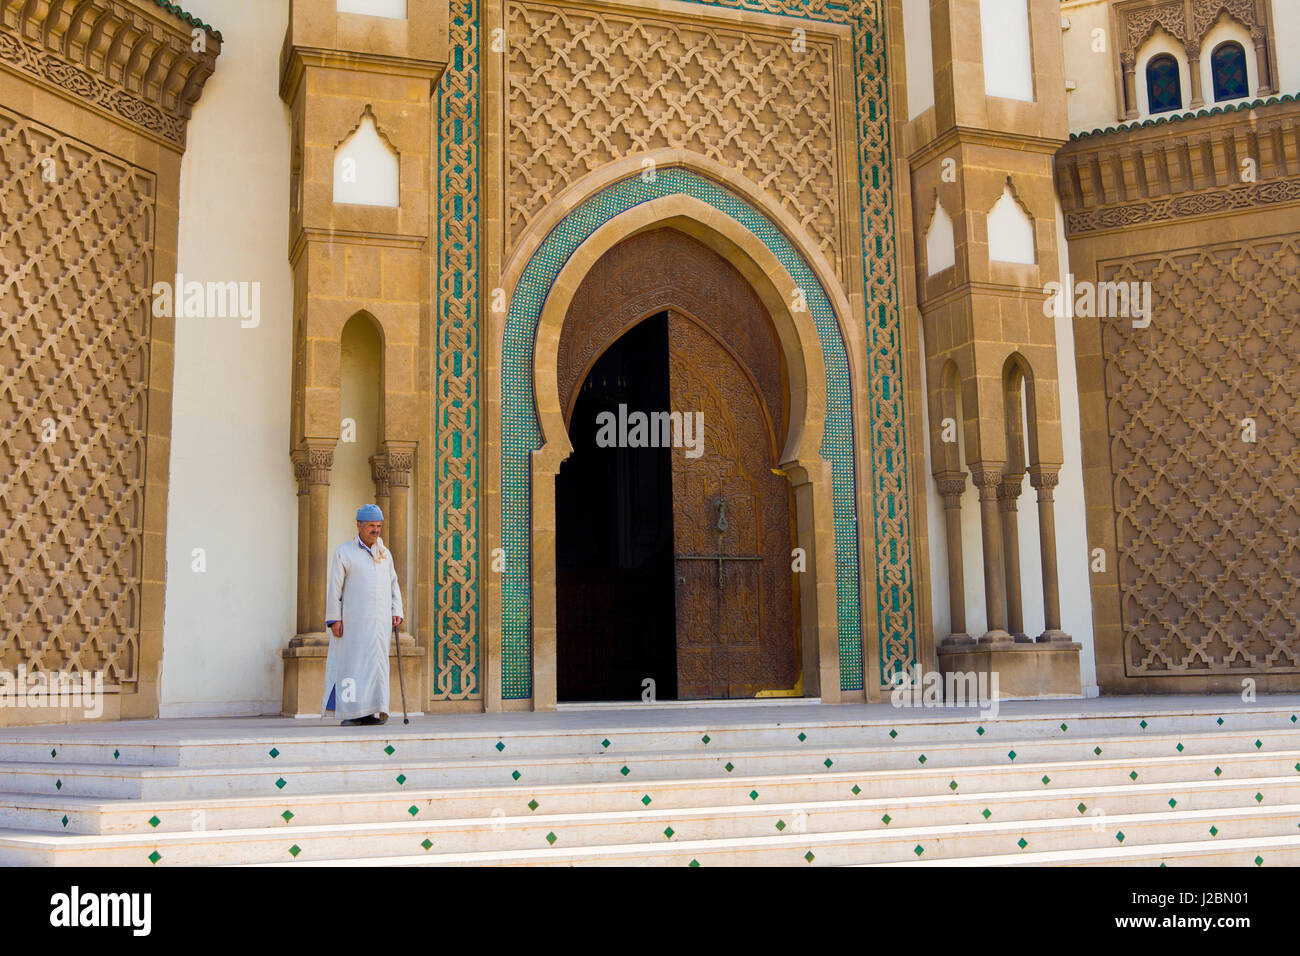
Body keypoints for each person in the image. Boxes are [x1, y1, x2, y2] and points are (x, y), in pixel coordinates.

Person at [323, 504, 403, 726]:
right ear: (359, 525)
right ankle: (351, 713)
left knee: (377, 666)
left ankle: (374, 711)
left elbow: (394, 584)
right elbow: (334, 588)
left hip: (380, 625)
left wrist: (397, 610)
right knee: (353, 667)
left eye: (378, 526)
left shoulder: (385, 554)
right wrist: (334, 618)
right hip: (353, 624)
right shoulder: (344, 552)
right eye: (371, 526)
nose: (375, 530)